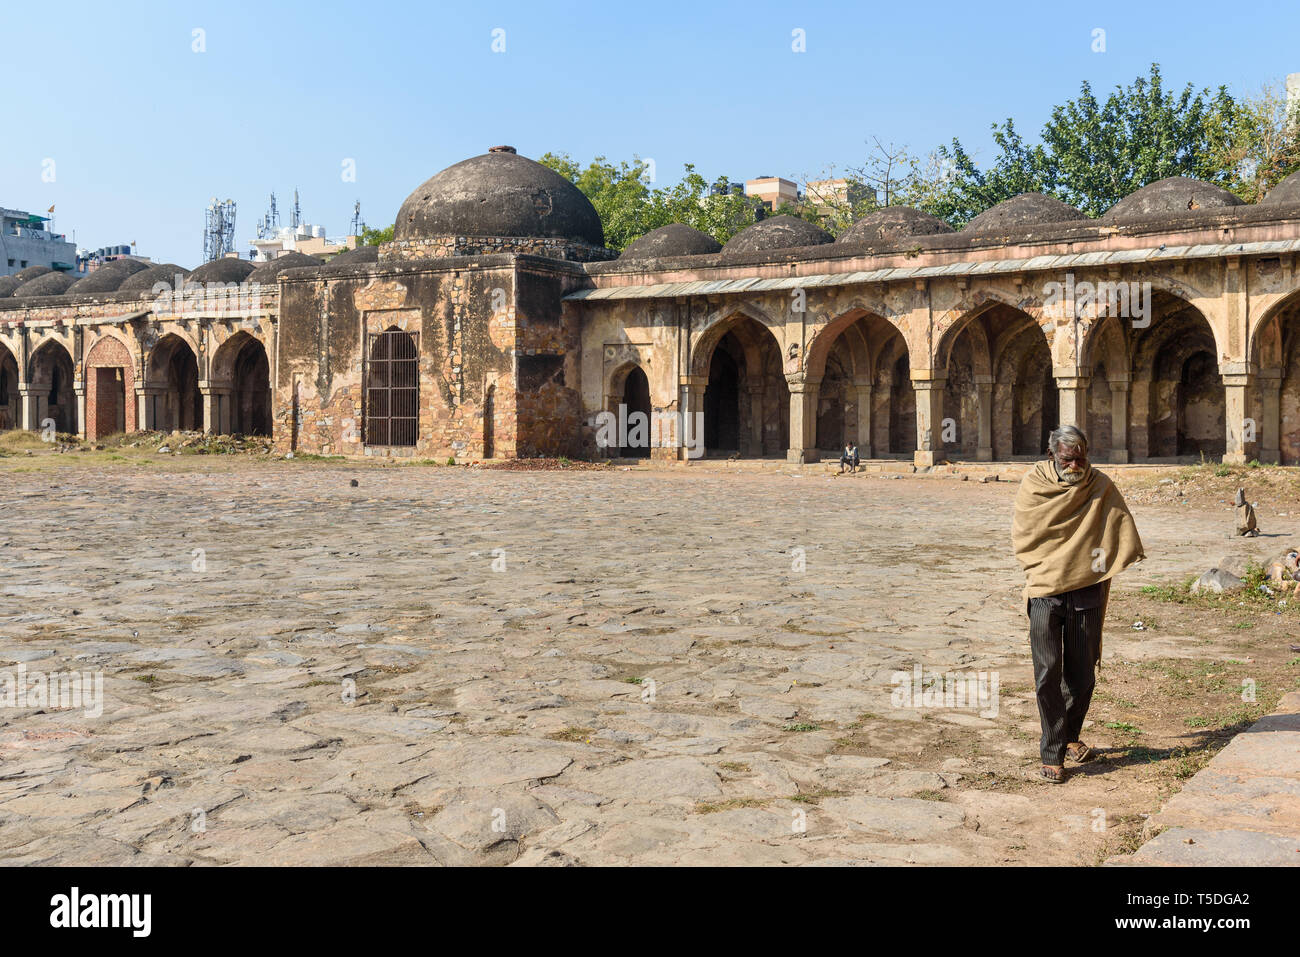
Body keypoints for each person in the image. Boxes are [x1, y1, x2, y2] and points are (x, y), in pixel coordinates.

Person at [1011, 425, 1145, 784]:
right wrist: (1051, 565)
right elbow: (1025, 535)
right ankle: (1052, 752)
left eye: (1081, 458)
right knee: (1047, 673)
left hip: (1086, 589)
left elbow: (1120, 524)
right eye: (1068, 459)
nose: (1075, 465)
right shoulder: (1034, 485)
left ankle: (1069, 734)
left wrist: (1105, 561)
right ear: (1052, 454)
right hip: (1044, 590)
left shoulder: (1098, 485)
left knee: (1082, 675)